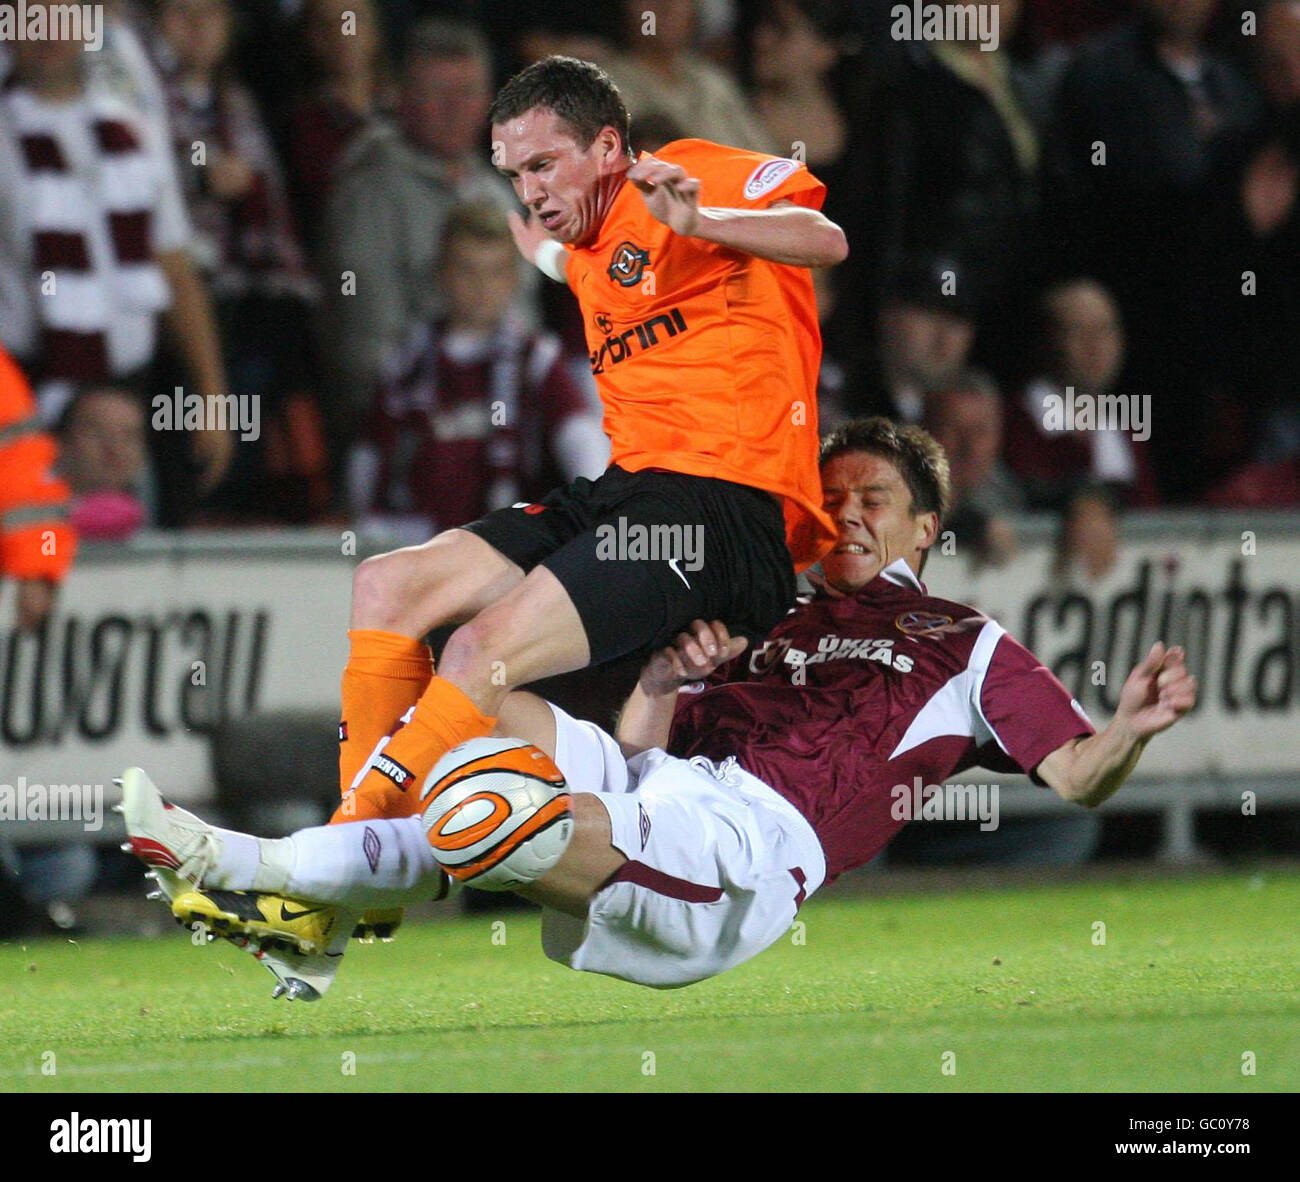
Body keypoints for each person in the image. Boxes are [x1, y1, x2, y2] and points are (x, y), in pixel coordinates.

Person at [121, 418, 1198, 999]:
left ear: (925, 528)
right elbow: (644, 753)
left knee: (493, 808)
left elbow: (1072, 776)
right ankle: (276, 891)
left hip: (748, 851)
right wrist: (656, 687)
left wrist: (1127, 733)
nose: (847, 511)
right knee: (483, 700)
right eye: (832, 493)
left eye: (875, 498)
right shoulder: (766, 610)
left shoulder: (963, 644)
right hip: (665, 791)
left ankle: (263, 872)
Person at [347, 201, 608, 544]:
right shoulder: (405, 364)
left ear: (515, 278)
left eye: (495, 272)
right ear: (442, 272)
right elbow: (369, 458)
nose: (482, 287)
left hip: (506, 551)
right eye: (467, 271)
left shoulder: (536, 361)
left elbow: (580, 439)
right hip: (417, 549)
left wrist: (601, 515)